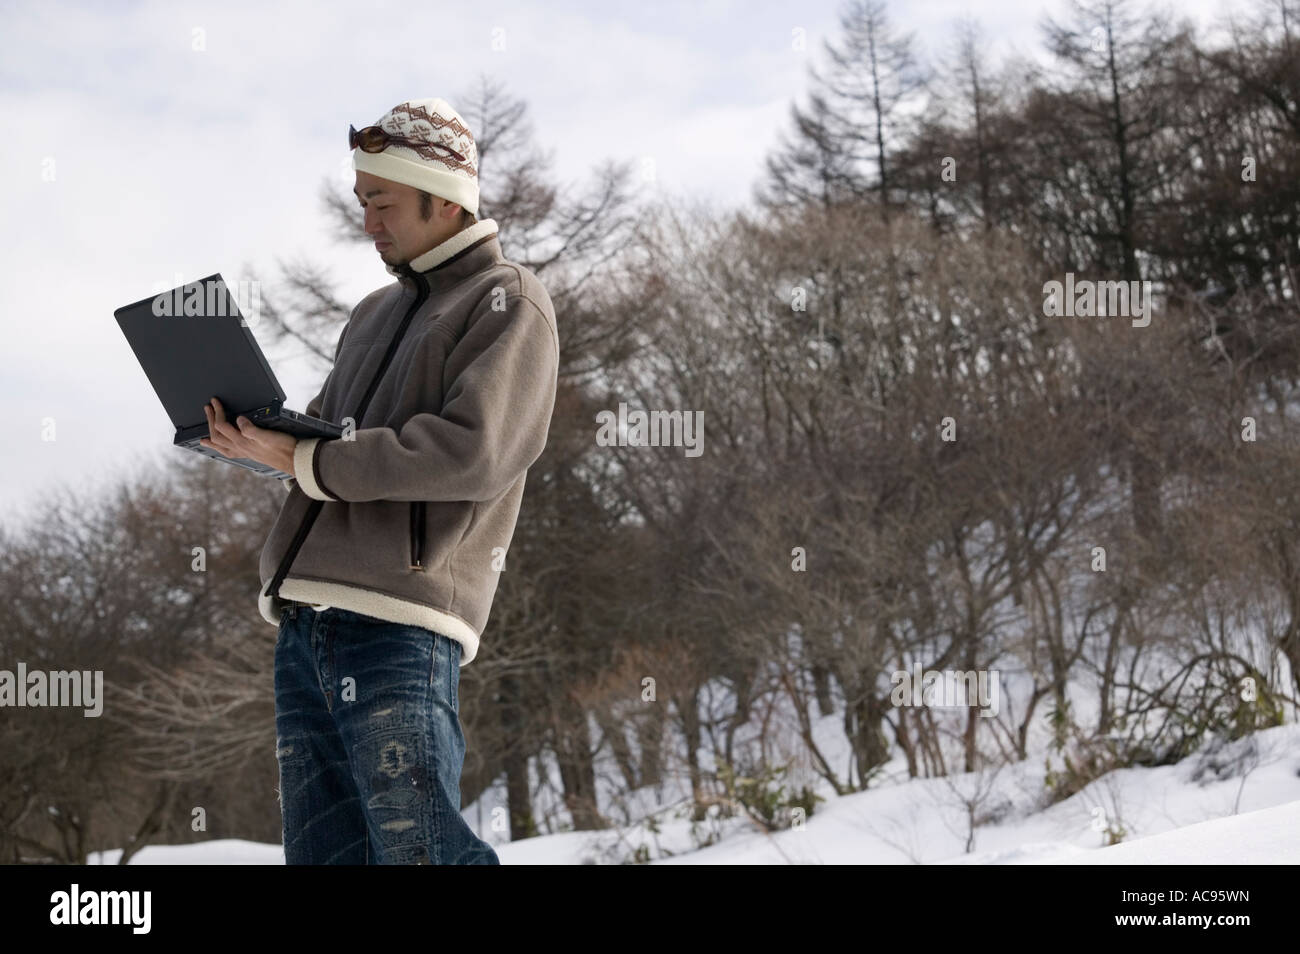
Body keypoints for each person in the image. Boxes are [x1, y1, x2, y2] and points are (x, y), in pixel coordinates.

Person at [199, 97, 559, 864]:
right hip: (303, 622)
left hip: (395, 621)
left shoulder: (509, 301)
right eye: (362, 203)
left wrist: (312, 461)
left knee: (421, 850)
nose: (370, 223)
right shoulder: (368, 315)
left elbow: (471, 452)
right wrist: (260, 439)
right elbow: (331, 446)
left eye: (383, 202)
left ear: (445, 198)